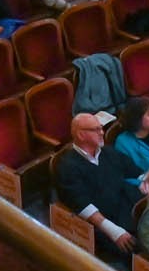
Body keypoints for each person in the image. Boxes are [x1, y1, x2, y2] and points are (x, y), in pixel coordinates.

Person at [54, 110, 141, 256]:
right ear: (81, 134)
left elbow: (135, 172)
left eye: (101, 128)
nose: (102, 132)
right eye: (96, 129)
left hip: (127, 210)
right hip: (103, 224)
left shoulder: (109, 153)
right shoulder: (67, 165)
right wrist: (113, 231)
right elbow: (82, 205)